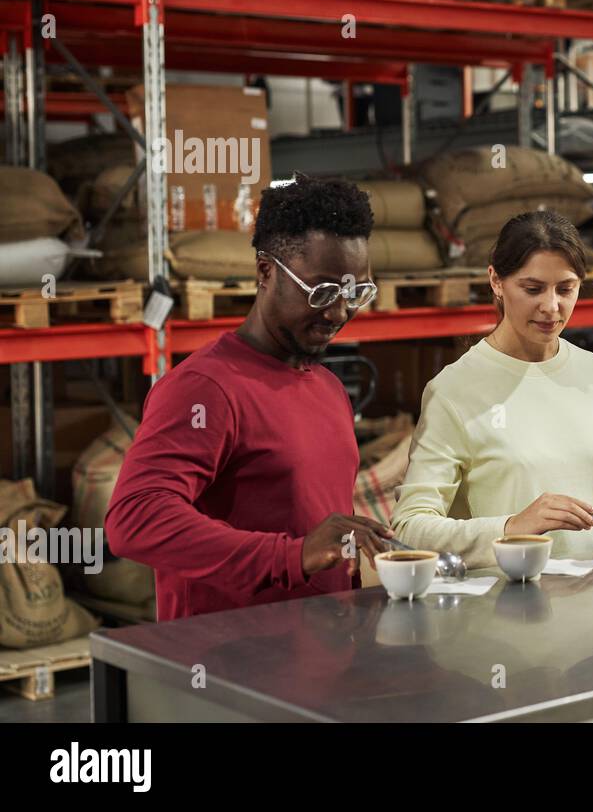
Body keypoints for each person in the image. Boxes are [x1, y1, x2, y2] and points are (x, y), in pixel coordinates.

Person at [106, 175, 395, 621]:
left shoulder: (328, 387)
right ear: (266, 272)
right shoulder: (206, 388)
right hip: (229, 668)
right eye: (321, 291)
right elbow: (135, 519)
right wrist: (291, 556)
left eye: (356, 291)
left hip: (323, 660)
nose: (339, 311)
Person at [392, 211, 593, 569]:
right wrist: (511, 527)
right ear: (496, 281)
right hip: (503, 611)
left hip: (591, 608)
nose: (551, 306)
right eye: (532, 289)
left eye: (566, 288)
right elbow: (409, 528)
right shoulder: (454, 390)